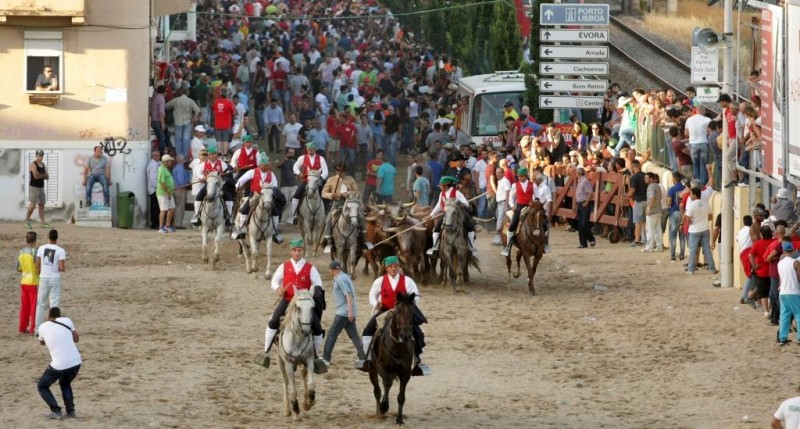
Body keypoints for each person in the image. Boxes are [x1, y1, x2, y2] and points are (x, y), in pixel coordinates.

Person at [354, 256, 430, 376]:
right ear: (386, 268)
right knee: (367, 330)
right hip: (385, 310)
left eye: (395, 266)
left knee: (418, 332)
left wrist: (410, 305)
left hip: (403, 312)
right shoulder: (380, 281)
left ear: (399, 267)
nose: (393, 269)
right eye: (390, 267)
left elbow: (416, 296)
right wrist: (376, 303)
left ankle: (418, 362)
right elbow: (371, 294)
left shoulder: (407, 281)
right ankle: (367, 359)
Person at [262, 239, 326, 371]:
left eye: (299, 250)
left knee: (318, 328)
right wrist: (278, 289)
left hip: (304, 302)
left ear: (303, 251)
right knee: (273, 321)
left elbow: (318, 284)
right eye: (295, 250)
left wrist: (311, 292)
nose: (297, 252)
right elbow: (274, 281)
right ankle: (266, 352)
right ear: (291, 252)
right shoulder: (284, 266)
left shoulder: (310, 268)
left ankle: (315, 356)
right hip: (288, 299)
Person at [37, 307, 80, 420]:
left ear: (48, 316)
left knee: (42, 386)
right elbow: (76, 339)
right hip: (76, 361)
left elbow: (42, 342)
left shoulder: (42, 327)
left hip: (59, 364)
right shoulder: (67, 321)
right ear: (60, 315)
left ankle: (56, 411)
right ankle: (70, 412)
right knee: (65, 383)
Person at [232, 152, 285, 243]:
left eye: (267, 166)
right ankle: (242, 229)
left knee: (276, 211)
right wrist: (237, 185)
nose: (266, 167)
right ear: (260, 165)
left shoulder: (271, 174)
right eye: (264, 165)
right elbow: (243, 178)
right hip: (255, 194)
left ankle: (275, 231)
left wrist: (272, 192)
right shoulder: (253, 172)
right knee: (244, 209)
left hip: (267, 196)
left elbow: (275, 185)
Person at [321, 260, 366, 366]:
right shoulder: (344, 276)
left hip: (343, 312)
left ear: (331, 270)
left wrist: (350, 312)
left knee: (332, 334)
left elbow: (348, 295)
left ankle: (326, 358)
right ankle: (363, 356)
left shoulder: (340, 279)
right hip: (348, 311)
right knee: (353, 335)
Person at [427, 176, 477, 256]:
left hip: (456, 216)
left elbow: (466, 204)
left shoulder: (457, 193)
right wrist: (431, 215)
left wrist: (457, 204)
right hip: (445, 216)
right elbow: (439, 206)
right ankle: (435, 249)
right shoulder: (441, 193)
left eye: (441, 186)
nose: (440, 187)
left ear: (446, 186)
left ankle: (471, 248)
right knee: (436, 230)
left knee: (470, 228)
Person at [322, 162, 361, 253]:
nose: (341, 173)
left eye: (343, 171)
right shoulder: (331, 180)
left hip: (349, 203)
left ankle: (363, 238)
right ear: (336, 171)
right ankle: (328, 240)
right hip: (337, 203)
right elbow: (323, 193)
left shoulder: (350, 179)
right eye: (339, 171)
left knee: (360, 217)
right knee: (328, 219)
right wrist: (332, 194)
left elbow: (357, 191)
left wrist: (349, 193)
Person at [191, 146, 234, 227]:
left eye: (214, 154)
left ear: (217, 155)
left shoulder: (222, 163)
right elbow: (198, 173)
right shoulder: (204, 164)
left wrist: (224, 175)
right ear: (208, 155)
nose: (213, 156)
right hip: (208, 186)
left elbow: (228, 172)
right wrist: (202, 177)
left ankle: (229, 216)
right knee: (198, 197)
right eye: (211, 154)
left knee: (229, 197)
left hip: (219, 187)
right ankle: (197, 215)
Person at [287, 142, 329, 223]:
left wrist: (321, 177)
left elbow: (325, 170)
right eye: (309, 150)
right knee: (296, 195)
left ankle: (326, 214)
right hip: (307, 181)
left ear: (315, 150)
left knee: (325, 195)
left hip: (317, 181)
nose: (310, 151)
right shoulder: (302, 158)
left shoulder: (321, 158)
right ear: (307, 150)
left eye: (312, 150)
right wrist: (299, 173)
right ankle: (293, 215)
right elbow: (295, 166)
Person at [35, 229, 66, 335]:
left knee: (41, 304)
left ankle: (38, 329)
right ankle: (53, 328)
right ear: (57, 238)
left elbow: (37, 265)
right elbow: (62, 268)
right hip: (54, 278)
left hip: (44, 277)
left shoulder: (41, 248)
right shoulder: (61, 250)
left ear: (48, 237)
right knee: (54, 304)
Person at [502, 168, 537, 256]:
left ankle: (544, 244)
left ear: (526, 176)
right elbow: (511, 197)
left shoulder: (533, 185)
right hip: (519, 207)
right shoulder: (515, 185)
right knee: (512, 225)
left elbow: (537, 197)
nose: (520, 178)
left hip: (530, 206)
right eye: (518, 176)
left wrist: (534, 202)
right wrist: (512, 205)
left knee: (542, 223)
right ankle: (508, 246)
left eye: (521, 176)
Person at [685, 187, 717, 274]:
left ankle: (691, 269)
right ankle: (712, 268)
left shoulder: (691, 205)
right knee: (707, 249)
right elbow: (710, 217)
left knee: (693, 250)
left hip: (694, 230)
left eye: (691, 194)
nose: (690, 196)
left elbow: (687, 219)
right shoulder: (706, 204)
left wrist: (693, 222)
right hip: (705, 229)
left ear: (695, 195)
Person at [777, 240, 800, 346]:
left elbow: (781, 279)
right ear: (793, 250)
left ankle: (783, 338)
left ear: (783, 250)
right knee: (798, 314)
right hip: (793, 291)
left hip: (783, 292)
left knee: (784, 315)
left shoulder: (780, 263)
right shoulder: (795, 262)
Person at [17, 231, 38, 335]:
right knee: (34, 307)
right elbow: (38, 266)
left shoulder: (21, 252)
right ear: (35, 240)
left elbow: (18, 268)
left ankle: (22, 327)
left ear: (26, 240)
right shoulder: (35, 252)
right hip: (33, 282)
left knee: (24, 307)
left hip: (24, 281)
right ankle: (32, 329)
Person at [25, 149, 50, 229]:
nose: (41, 156)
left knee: (41, 205)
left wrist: (41, 175)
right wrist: (43, 175)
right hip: (34, 187)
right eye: (39, 155)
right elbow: (36, 176)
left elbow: (47, 176)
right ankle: (26, 221)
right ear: (36, 155)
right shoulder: (33, 164)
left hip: (41, 187)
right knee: (33, 205)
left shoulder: (43, 165)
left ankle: (43, 223)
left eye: (42, 155)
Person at [574, 166, 597, 249]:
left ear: (578, 173)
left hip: (584, 203)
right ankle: (583, 243)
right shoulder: (580, 181)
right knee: (580, 224)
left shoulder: (585, 181)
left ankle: (591, 239)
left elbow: (590, 192)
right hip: (580, 203)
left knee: (584, 224)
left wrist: (586, 202)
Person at [643, 172, 664, 252]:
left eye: (646, 178)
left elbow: (652, 198)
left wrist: (648, 208)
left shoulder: (651, 187)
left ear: (651, 178)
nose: (645, 179)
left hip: (652, 211)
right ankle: (659, 247)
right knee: (658, 230)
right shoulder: (657, 186)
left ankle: (649, 247)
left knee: (650, 230)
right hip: (658, 210)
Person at [156, 154, 176, 233]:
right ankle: (161, 227)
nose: (171, 162)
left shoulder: (166, 169)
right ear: (166, 162)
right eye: (170, 161)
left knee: (172, 208)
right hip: (163, 193)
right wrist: (168, 192)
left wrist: (169, 192)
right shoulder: (161, 169)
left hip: (168, 192)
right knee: (163, 210)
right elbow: (162, 182)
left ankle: (167, 225)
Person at [171, 154, 190, 229]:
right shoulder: (181, 168)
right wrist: (186, 184)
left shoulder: (175, 168)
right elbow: (181, 181)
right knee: (180, 207)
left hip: (175, 189)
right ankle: (178, 224)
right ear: (182, 160)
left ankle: (176, 223)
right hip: (180, 189)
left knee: (177, 206)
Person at [146, 149, 161, 229]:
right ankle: (154, 223)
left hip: (156, 189)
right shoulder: (152, 165)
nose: (158, 157)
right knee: (154, 207)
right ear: (153, 156)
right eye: (156, 155)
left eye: (158, 155)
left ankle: (156, 222)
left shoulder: (157, 164)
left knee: (157, 207)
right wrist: (158, 187)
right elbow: (153, 179)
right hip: (154, 189)